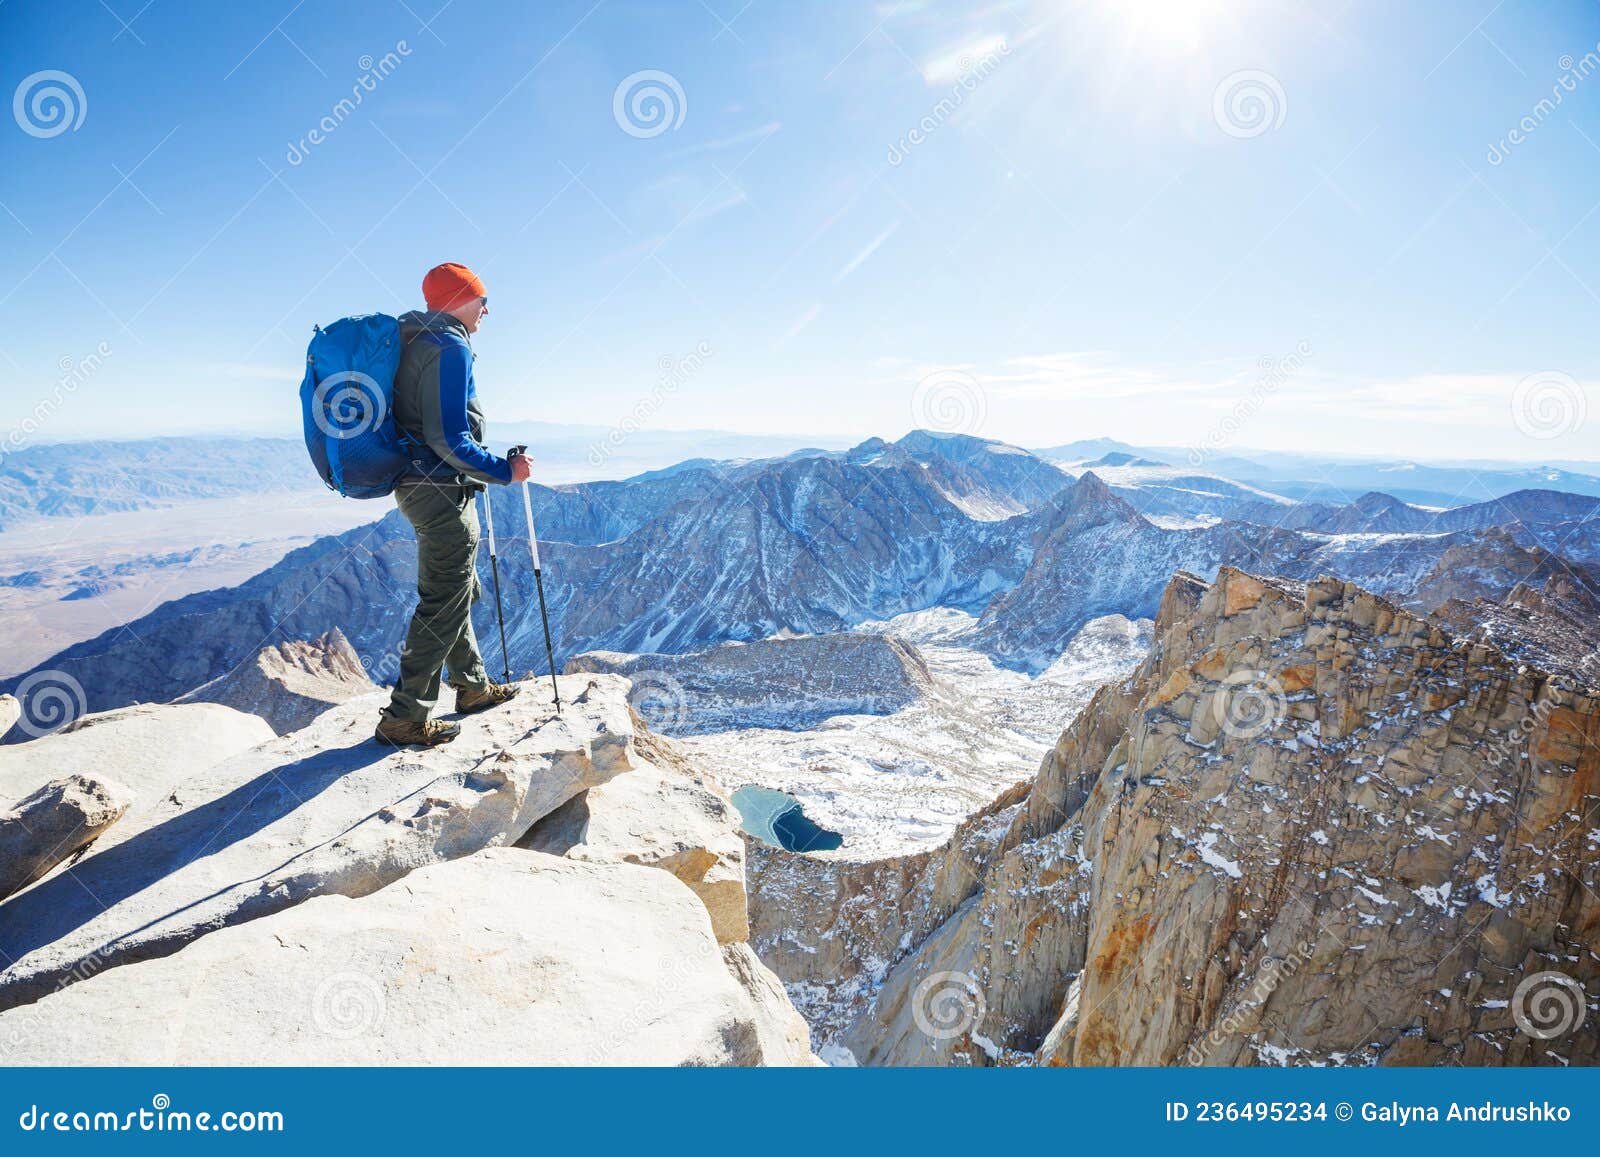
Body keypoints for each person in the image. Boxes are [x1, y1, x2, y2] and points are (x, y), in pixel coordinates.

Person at [373, 261, 532, 748]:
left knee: (457, 589)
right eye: (483, 300)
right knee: (444, 600)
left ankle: (472, 687)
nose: (487, 310)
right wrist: (506, 471)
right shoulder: (448, 345)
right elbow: (448, 437)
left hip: (422, 486)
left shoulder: (418, 341)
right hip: (440, 488)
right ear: (463, 298)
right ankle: (405, 716)